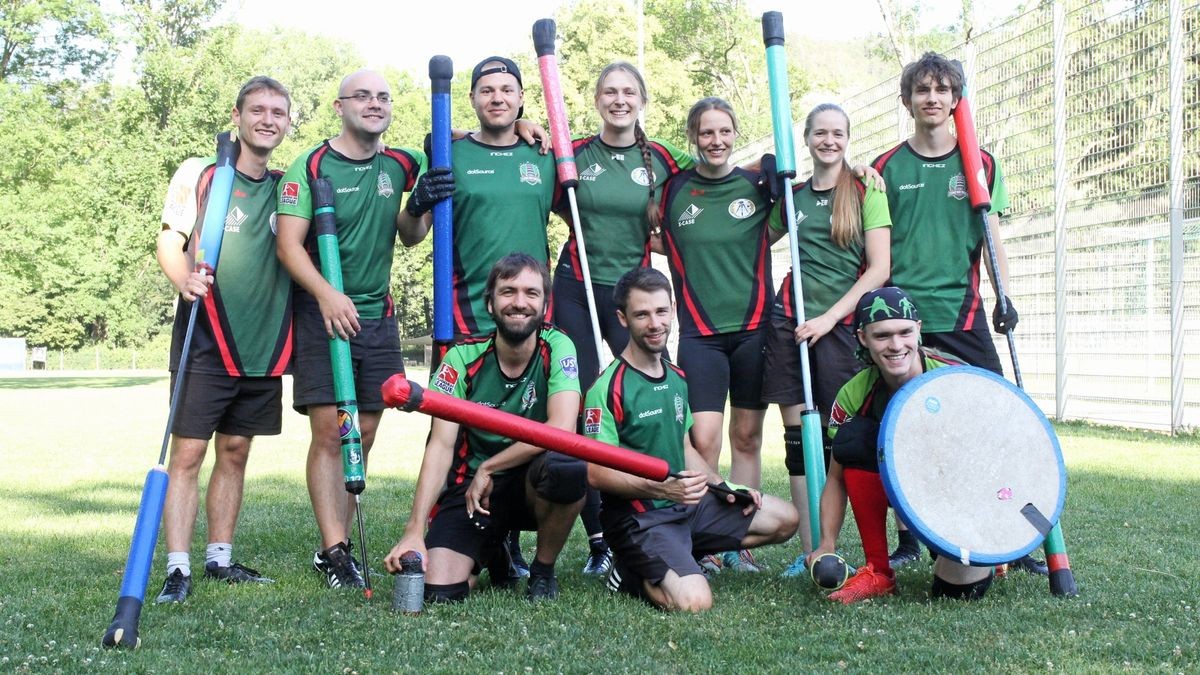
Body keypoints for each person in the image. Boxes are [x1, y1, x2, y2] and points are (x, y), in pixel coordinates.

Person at [870, 52, 1045, 575]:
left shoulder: (980, 163)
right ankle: (909, 537)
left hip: (962, 313)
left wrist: (1004, 295)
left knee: (998, 422)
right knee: (902, 427)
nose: (932, 98)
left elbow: (992, 238)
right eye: (922, 90)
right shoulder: (886, 167)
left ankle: (1017, 538)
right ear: (907, 101)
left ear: (955, 100)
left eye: (942, 89)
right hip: (904, 321)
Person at [276, 69, 437, 589]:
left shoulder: (402, 163)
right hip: (323, 311)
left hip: (377, 315)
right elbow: (287, 246)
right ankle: (333, 550)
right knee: (331, 431)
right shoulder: (311, 164)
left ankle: (339, 543)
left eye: (383, 97)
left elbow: (411, 235)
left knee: (364, 430)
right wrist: (327, 294)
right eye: (362, 96)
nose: (374, 104)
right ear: (339, 106)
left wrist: (419, 205)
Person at [153, 76, 294, 602]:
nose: (267, 119)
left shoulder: (287, 185)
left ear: (288, 122)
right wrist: (183, 279)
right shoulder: (202, 172)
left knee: (235, 450)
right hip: (205, 336)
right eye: (257, 109)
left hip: (262, 343)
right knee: (188, 454)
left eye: (277, 112)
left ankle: (219, 558)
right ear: (237, 116)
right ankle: (178, 568)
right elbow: (170, 240)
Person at [585, 267, 799, 611]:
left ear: (673, 309)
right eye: (642, 314)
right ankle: (628, 572)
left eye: (661, 311)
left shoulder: (676, 377)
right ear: (623, 318)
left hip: (685, 507)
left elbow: (685, 448)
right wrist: (663, 490)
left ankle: (680, 554)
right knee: (695, 602)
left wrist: (723, 487)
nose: (655, 323)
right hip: (641, 518)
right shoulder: (607, 387)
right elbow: (596, 474)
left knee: (784, 518)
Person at [552, 61, 694, 575]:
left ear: (642, 100)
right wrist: (524, 124)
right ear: (596, 100)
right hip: (576, 285)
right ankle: (600, 539)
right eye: (609, 92)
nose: (619, 100)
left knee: (657, 392)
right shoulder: (572, 153)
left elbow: (714, 163)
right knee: (585, 403)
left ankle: (672, 512)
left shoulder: (662, 158)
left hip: (631, 291)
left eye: (629, 92)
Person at [384, 254, 587, 603]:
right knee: (439, 592)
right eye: (508, 292)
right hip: (474, 493)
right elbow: (440, 446)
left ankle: (542, 570)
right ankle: (493, 548)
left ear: (545, 305)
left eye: (531, 293)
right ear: (490, 303)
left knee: (568, 466)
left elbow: (562, 427)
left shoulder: (558, 345)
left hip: (531, 484)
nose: (519, 302)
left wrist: (491, 467)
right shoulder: (461, 358)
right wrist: (414, 530)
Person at [807, 286, 1005, 603]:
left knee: (956, 594)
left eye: (905, 332)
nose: (896, 345)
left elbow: (998, 456)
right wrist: (826, 544)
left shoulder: (957, 378)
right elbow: (835, 476)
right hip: (904, 487)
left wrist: (994, 526)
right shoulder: (853, 395)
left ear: (919, 330)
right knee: (853, 441)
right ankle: (878, 572)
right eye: (882, 335)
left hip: (961, 494)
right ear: (863, 338)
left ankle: (988, 552)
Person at [760, 104, 892, 577]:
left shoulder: (865, 190)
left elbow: (879, 269)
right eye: (820, 133)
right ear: (807, 139)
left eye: (837, 133)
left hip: (839, 325)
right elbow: (752, 234)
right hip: (790, 323)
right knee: (798, 441)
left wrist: (829, 318)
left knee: (840, 440)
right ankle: (809, 551)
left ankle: (833, 543)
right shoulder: (791, 197)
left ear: (848, 138)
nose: (828, 141)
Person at [651, 96, 775, 573]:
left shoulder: (757, 187)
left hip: (754, 330)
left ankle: (737, 543)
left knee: (746, 436)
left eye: (724, 131)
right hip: (700, 336)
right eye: (706, 132)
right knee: (703, 440)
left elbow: (806, 188)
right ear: (693, 137)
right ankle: (702, 539)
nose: (716, 140)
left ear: (735, 133)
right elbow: (641, 225)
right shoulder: (672, 190)